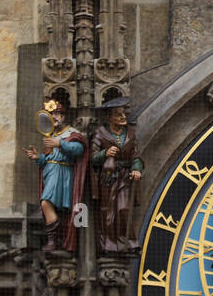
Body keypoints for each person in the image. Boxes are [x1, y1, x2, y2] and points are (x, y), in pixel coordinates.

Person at [25, 98, 88, 252]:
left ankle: (53, 239)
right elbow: (49, 159)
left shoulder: (72, 133)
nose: (55, 117)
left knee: (46, 203)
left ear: (64, 116)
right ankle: (56, 238)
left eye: (58, 114)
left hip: (62, 173)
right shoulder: (51, 135)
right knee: (51, 206)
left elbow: (78, 149)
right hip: (50, 172)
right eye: (52, 115)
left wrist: (59, 144)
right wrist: (37, 158)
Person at [90, 97, 143, 252]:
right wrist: (105, 153)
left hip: (125, 176)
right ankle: (109, 244)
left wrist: (137, 168)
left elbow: (136, 155)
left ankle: (129, 242)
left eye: (123, 114)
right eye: (118, 115)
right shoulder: (100, 134)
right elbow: (92, 158)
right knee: (108, 211)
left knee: (124, 208)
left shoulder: (130, 134)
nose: (123, 117)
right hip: (108, 177)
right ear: (110, 117)